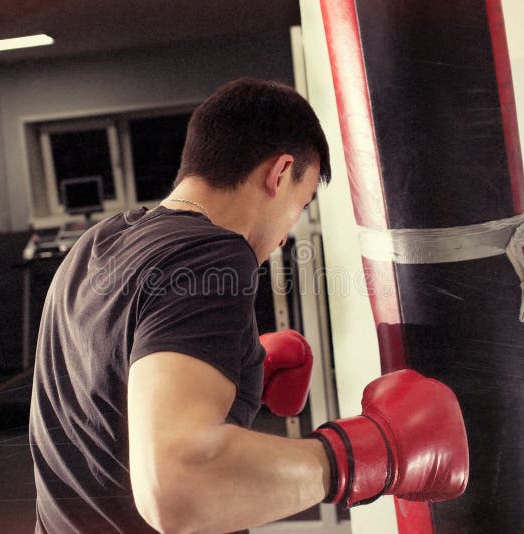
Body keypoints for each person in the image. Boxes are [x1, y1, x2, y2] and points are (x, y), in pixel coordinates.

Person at [29, 78, 469, 534]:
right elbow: (178, 489)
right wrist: (368, 452)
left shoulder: (97, 244)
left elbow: (106, 381)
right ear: (279, 173)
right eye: (298, 205)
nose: (283, 237)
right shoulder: (211, 255)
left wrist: (231, 361)